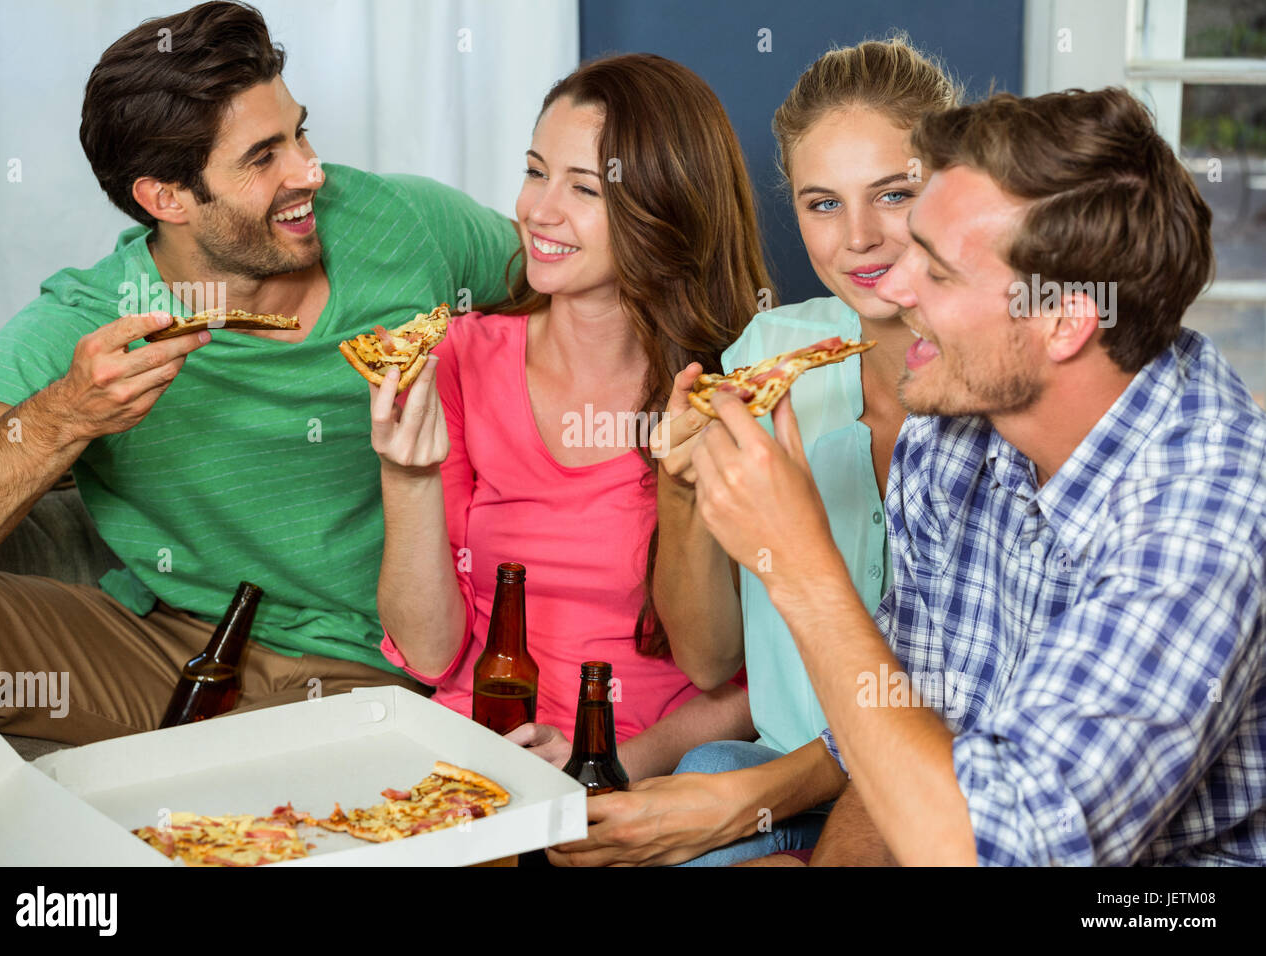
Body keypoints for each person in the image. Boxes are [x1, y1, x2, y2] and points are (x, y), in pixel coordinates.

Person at [691, 86, 1266, 865]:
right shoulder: (953, 427)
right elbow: (911, 724)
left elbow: (999, 849)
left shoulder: (1206, 519)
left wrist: (798, 562)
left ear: (1064, 320)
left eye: (940, 272)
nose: (893, 291)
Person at [0, 1, 519, 745]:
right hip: (166, 642)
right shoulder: (94, 320)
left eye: (300, 133)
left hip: (360, 666)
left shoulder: (403, 224)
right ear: (165, 198)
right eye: (264, 157)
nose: (310, 172)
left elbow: (578, 280)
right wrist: (67, 416)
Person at [547, 37, 958, 867]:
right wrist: (680, 486)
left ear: (951, 187)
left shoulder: (991, 380)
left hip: (931, 777)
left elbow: (966, 716)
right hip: (782, 762)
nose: (862, 239)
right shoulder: (770, 355)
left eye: (894, 194)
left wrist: (742, 805)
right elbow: (708, 660)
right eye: (823, 204)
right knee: (696, 774)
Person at [370, 54, 770, 779]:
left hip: (646, 773)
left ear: (666, 204)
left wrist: (602, 771)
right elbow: (430, 653)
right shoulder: (460, 355)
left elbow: (739, 678)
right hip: (472, 763)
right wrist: (406, 476)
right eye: (534, 171)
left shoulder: (730, 389)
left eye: (584, 187)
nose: (539, 211)